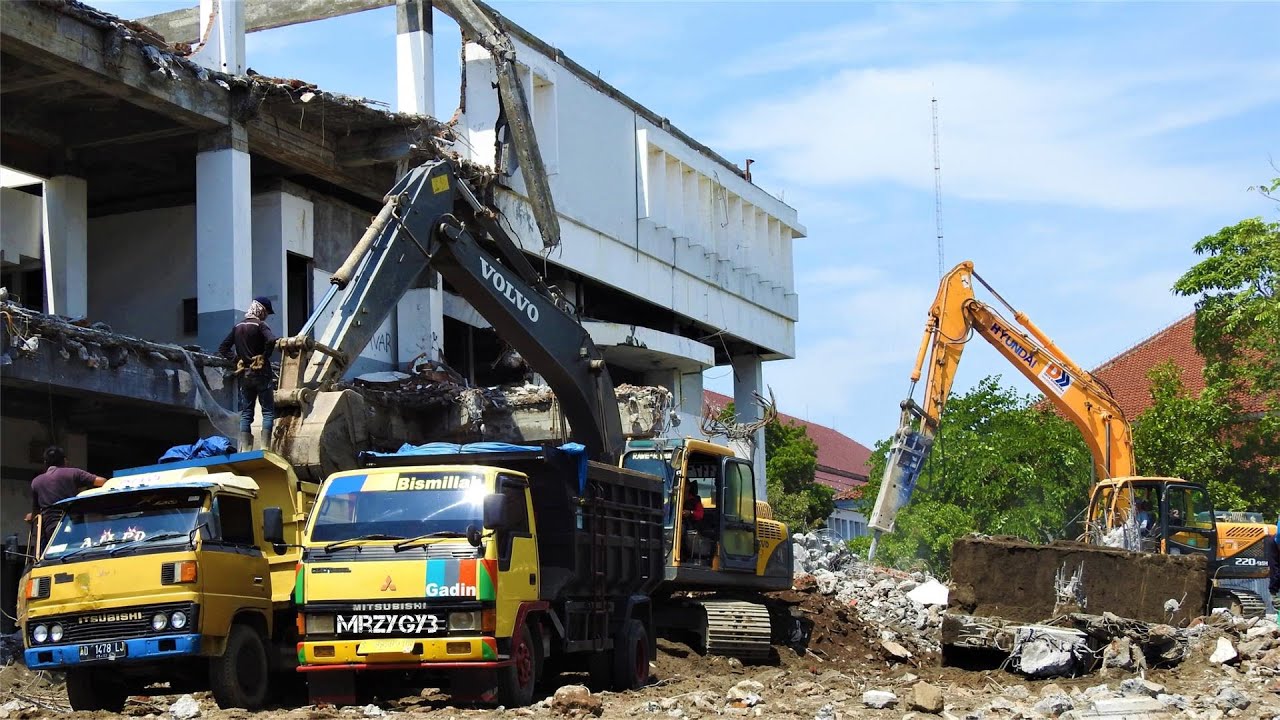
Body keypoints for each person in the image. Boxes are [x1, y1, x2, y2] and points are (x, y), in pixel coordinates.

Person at [218, 296, 279, 451]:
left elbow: (223, 348)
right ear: (261, 310)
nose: (266, 316)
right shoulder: (260, 325)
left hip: (244, 375)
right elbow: (272, 340)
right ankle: (265, 447)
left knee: (247, 413)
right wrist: (264, 356)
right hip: (261, 374)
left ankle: (246, 448)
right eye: (266, 312)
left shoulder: (238, 327)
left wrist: (237, 359)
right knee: (267, 411)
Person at [25, 447, 106, 552]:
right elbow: (102, 482)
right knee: (79, 553)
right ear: (65, 460)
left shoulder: (36, 482)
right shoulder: (73, 473)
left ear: (45, 463)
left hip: (51, 533)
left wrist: (30, 517)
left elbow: (36, 512)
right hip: (75, 527)